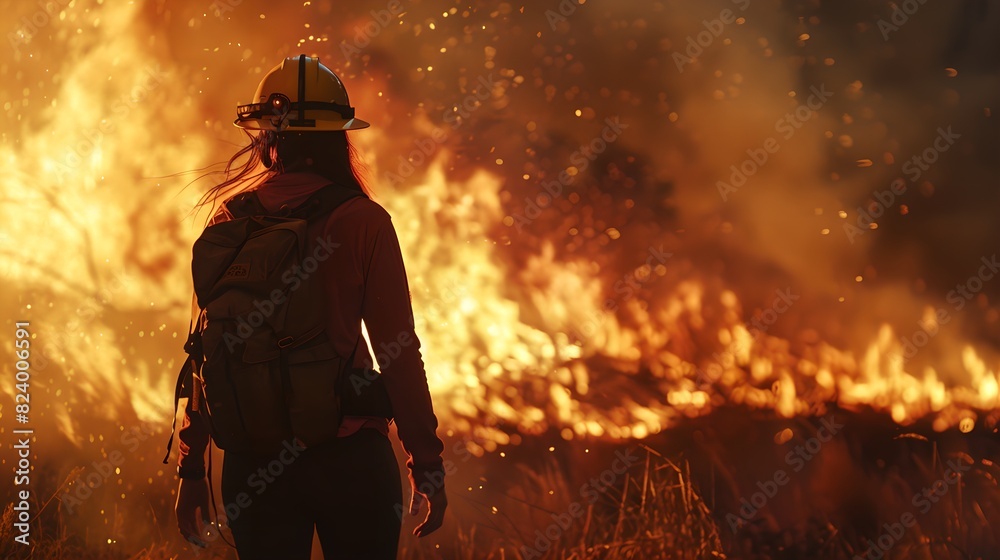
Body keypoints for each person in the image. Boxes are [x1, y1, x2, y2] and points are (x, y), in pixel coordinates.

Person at [173, 54, 447, 559]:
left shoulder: (229, 219)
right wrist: (425, 462)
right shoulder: (362, 220)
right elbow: (398, 351)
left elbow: (207, 354)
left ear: (265, 134)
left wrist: (192, 469)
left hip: (255, 468)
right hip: (348, 461)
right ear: (338, 135)